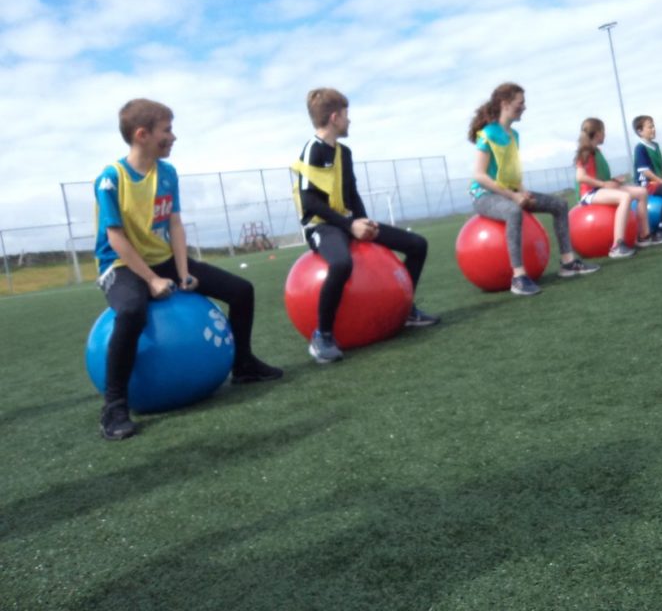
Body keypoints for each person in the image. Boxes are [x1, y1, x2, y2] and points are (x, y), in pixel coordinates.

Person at [94, 99, 283, 440]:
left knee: (242, 291)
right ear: (142, 135)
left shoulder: (167, 173)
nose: (173, 137)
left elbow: (175, 225)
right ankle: (114, 406)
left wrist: (182, 273)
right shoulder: (111, 179)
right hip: (120, 264)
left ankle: (243, 365)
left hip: (163, 258)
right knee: (133, 309)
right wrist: (151, 280)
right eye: (166, 130)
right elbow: (116, 238)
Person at [294, 88, 439, 365]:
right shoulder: (312, 149)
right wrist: (350, 226)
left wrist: (364, 221)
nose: (350, 121)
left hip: (349, 223)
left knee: (418, 245)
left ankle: (406, 310)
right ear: (335, 117)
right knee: (340, 265)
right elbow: (308, 201)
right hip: (321, 228)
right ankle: (322, 335)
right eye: (347, 115)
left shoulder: (344, 153)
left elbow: (352, 193)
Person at [469, 82, 599, 296]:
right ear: (505, 103)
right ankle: (519, 278)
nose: (524, 107)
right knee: (513, 211)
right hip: (485, 196)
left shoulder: (514, 135)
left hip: (511, 192)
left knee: (559, 204)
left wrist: (521, 190)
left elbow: (511, 170)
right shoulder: (487, 134)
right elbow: (480, 176)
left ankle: (568, 262)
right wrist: (513, 196)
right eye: (521, 103)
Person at [575, 117, 662, 258]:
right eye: (603, 131)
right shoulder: (585, 151)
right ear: (598, 133)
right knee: (625, 197)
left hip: (601, 189)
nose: (605, 134)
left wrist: (612, 181)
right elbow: (580, 177)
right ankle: (617, 246)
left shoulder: (597, 151)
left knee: (641, 192)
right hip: (589, 194)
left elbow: (598, 176)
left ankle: (644, 236)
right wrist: (605, 184)